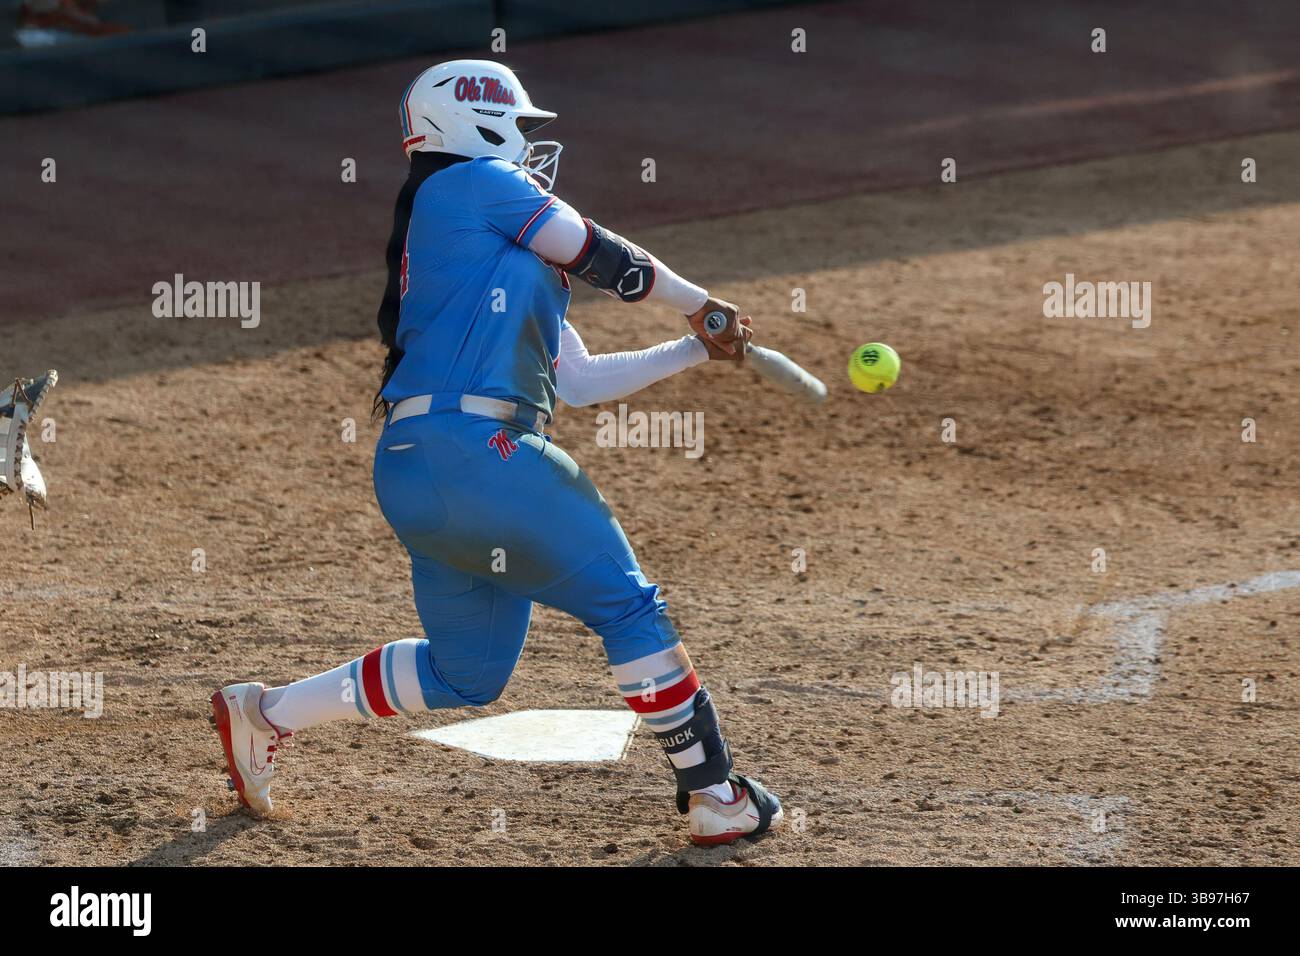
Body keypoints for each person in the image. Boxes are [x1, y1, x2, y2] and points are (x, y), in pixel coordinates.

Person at [210, 60, 782, 847]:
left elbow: (576, 382)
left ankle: (264, 712)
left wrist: (693, 349)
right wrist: (702, 303)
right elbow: (606, 256)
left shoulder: (483, 246)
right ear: (475, 124)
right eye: (520, 125)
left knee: (465, 673)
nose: (529, 143)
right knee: (628, 609)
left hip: (419, 466)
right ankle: (717, 795)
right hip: (484, 454)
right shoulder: (473, 183)